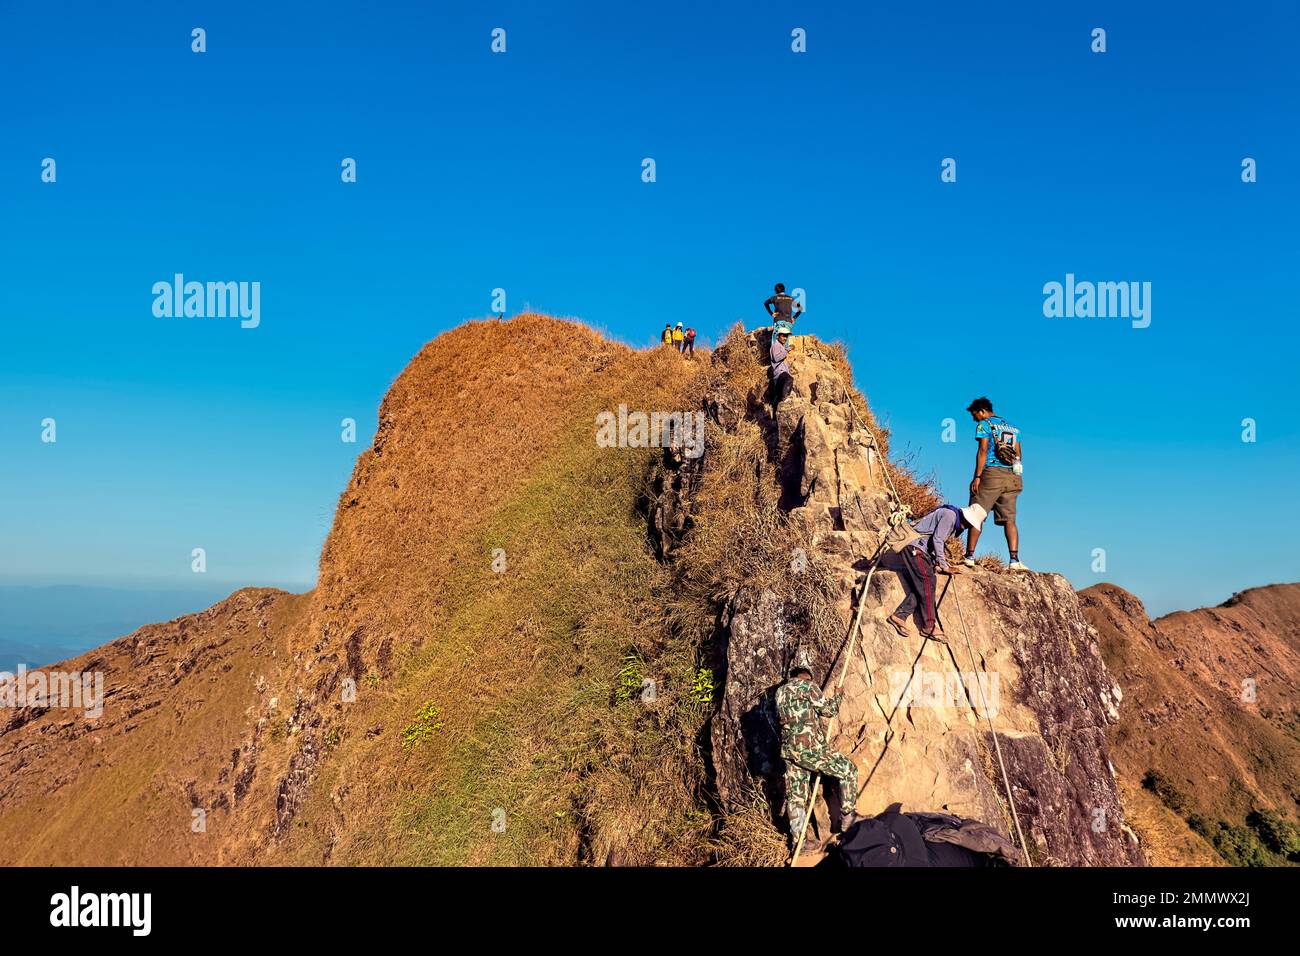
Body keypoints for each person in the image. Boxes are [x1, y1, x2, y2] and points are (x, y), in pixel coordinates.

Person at [776, 662, 861, 852]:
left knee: (796, 796)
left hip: (789, 751)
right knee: (848, 770)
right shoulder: (808, 686)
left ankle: (800, 842)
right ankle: (848, 817)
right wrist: (838, 695)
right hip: (809, 749)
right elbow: (828, 711)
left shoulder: (780, 692)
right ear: (807, 676)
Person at [887, 503, 986, 641]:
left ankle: (900, 616)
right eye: (970, 524)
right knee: (927, 581)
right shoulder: (950, 516)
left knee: (925, 584)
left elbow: (934, 540)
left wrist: (938, 562)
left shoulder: (951, 517)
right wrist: (944, 565)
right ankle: (929, 626)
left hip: (920, 550)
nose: (968, 527)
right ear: (967, 519)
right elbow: (937, 539)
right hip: (915, 549)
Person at [963, 398, 1026, 571]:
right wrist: (1016, 476)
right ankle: (1014, 560)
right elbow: (1018, 455)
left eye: (975, 415)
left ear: (982, 411)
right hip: (1012, 476)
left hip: (992, 473)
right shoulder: (1014, 428)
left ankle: (969, 556)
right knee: (1010, 520)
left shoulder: (985, 425)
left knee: (977, 513)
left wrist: (977, 476)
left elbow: (983, 450)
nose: (975, 419)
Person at [769, 321, 794, 411]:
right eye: (783, 335)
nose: (785, 338)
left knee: (778, 398)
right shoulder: (776, 345)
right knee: (789, 379)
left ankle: (775, 416)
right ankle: (784, 400)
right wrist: (787, 350)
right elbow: (776, 358)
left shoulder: (781, 346)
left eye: (786, 336)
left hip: (780, 374)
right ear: (778, 336)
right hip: (779, 374)